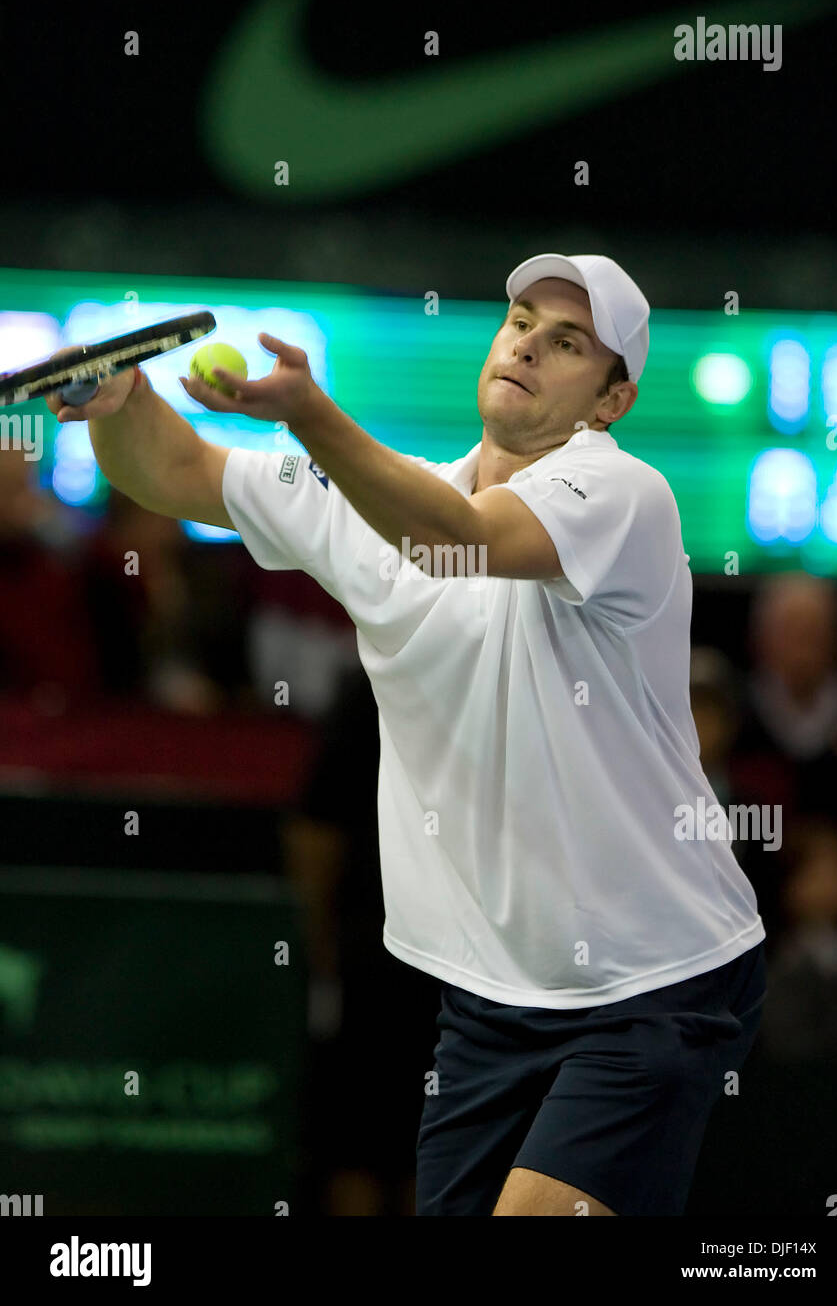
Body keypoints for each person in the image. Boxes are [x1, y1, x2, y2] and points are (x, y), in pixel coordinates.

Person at [44, 252, 766, 1216]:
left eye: (568, 344)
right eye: (519, 323)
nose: (527, 348)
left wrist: (310, 412)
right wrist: (119, 398)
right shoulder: (381, 496)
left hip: (654, 983)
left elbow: (455, 539)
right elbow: (176, 471)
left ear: (611, 400)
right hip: (485, 1003)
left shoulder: (624, 496)